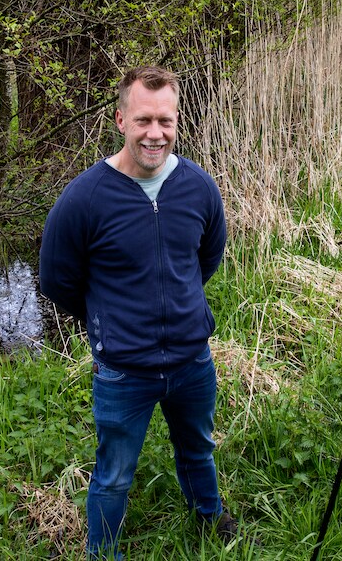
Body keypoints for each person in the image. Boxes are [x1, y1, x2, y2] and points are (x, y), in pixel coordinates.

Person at [39, 65, 235, 559]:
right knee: (114, 473)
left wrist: (179, 305)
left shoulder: (198, 187)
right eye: (144, 120)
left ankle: (209, 517)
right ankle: (102, 552)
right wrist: (108, 317)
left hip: (192, 361)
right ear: (121, 119)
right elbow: (57, 280)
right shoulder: (84, 198)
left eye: (165, 121)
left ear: (177, 121)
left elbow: (206, 257)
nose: (155, 133)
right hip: (123, 369)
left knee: (198, 449)